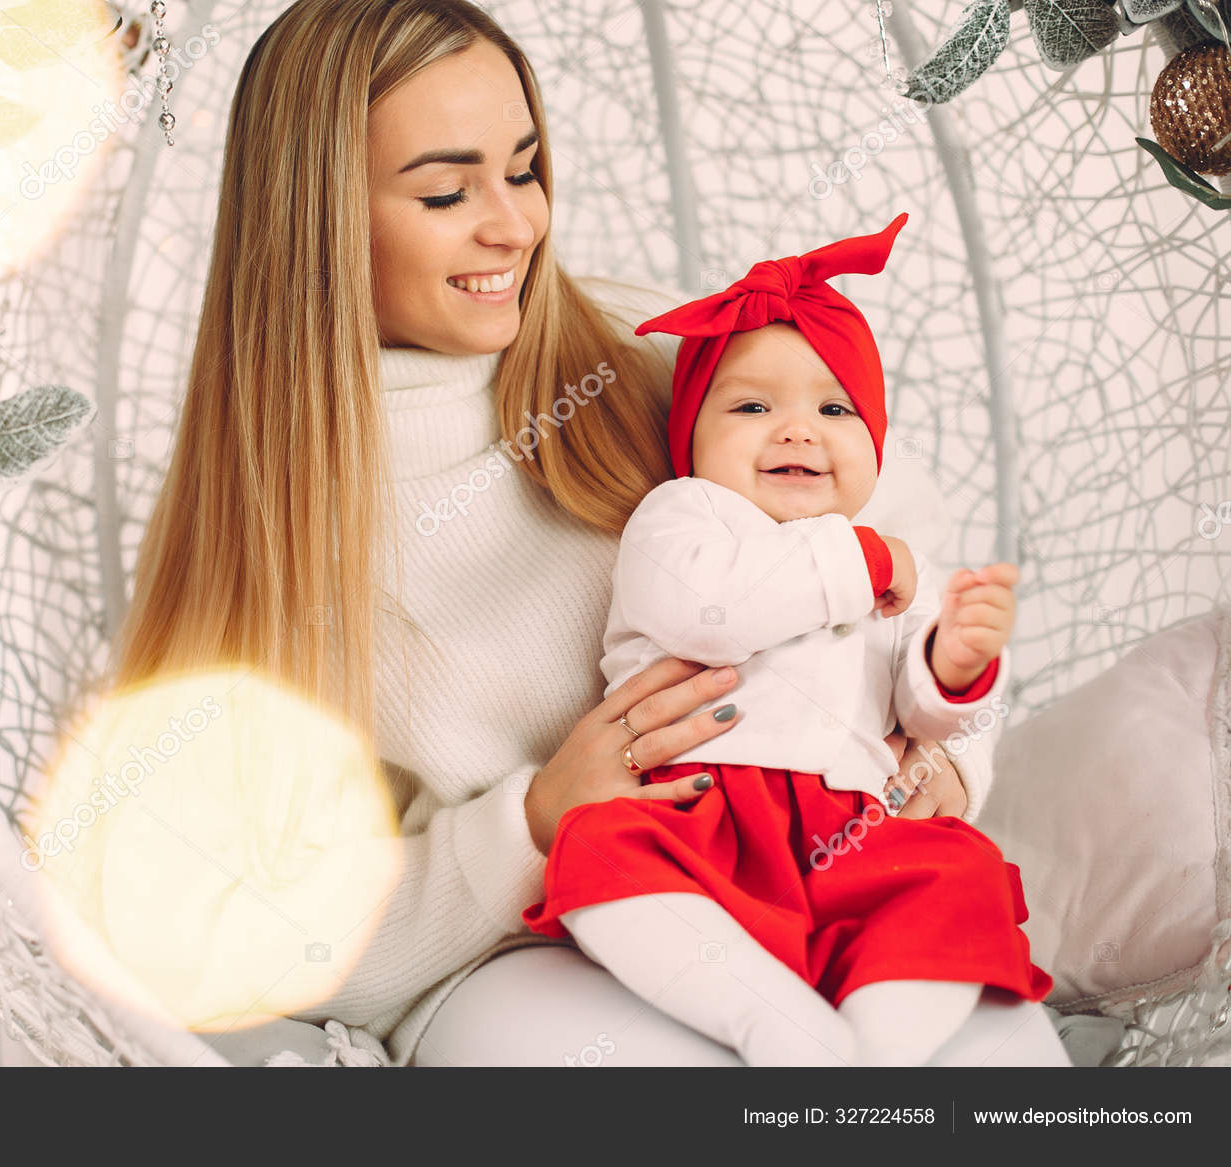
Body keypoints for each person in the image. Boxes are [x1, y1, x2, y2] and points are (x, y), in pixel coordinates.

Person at [113, 0, 1070, 1067]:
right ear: (319, 217)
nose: (515, 226)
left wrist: (946, 764)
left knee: (994, 1056)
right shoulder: (271, 540)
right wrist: (530, 821)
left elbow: (907, 562)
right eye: (445, 190)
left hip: (826, 860)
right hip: (532, 950)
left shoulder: (647, 349)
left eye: (523, 169)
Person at [519, 212, 1054, 1066]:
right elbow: (709, 612)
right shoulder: (686, 517)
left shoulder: (886, 553)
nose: (797, 429)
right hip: (704, 817)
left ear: (874, 450)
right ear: (692, 440)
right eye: (753, 405)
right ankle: (773, 1020)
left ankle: (881, 1044)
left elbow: (914, 712)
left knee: (963, 874)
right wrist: (863, 558)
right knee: (598, 851)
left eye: (834, 408)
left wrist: (949, 667)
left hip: (854, 828)